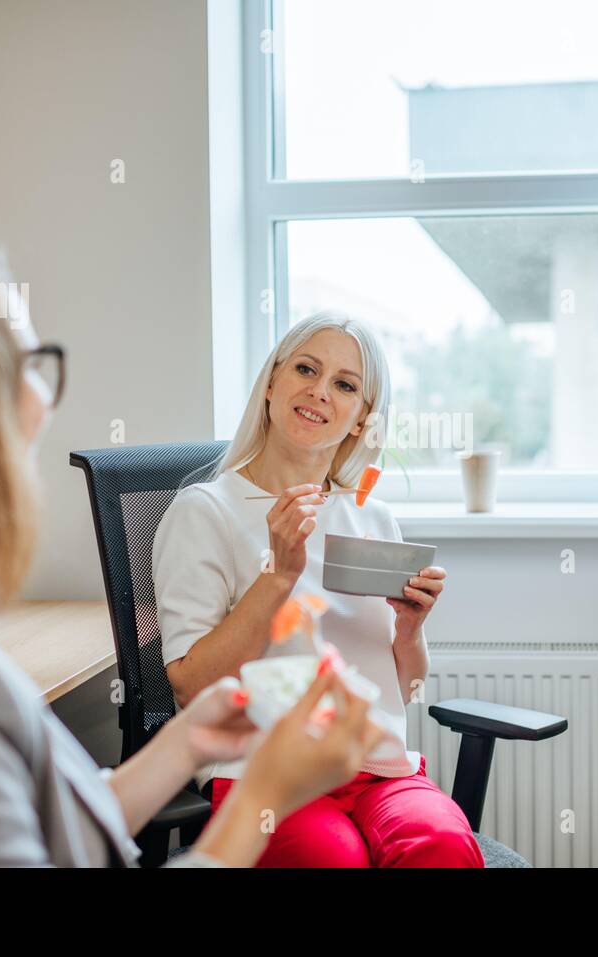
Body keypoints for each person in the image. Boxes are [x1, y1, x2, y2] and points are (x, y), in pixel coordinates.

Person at [0, 219, 384, 867]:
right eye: (27, 366)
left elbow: (48, 830)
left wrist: (186, 743)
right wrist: (264, 789)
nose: (45, 402)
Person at [153, 312, 484, 867]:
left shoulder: (370, 518)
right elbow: (190, 685)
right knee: (330, 857)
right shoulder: (204, 511)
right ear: (273, 384)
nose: (319, 391)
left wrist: (409, 631)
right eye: (306, 369)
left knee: (443, 846)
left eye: (345, 385)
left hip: (375, 766)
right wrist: (278, 575)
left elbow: (402, 691)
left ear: (360, 420)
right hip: (263, 770)